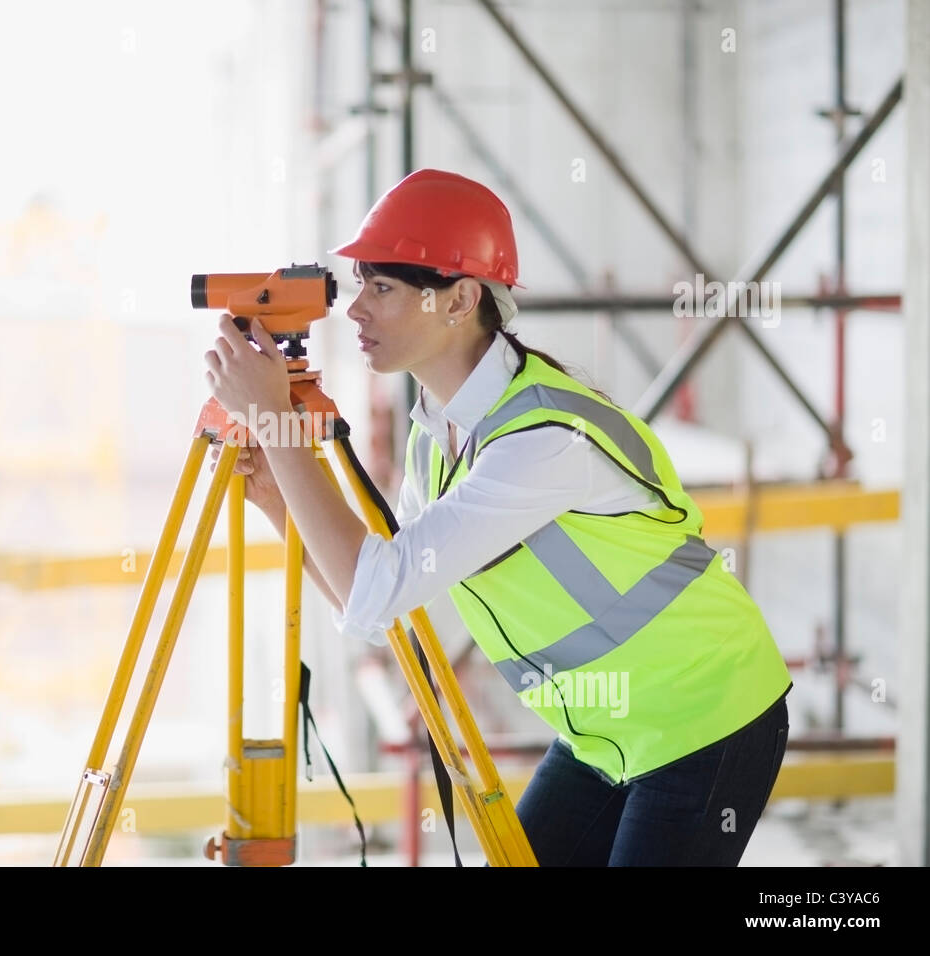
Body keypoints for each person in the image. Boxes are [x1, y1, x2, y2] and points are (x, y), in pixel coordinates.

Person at [203, 168, 792, 867]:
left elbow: (375, 586)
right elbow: (387, 609)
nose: (356, 309)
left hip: (705, 717)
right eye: (359, 284)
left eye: (382, 288)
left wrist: (273, 421)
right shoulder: (436, 435)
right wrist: (278, 499)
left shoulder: (540, 440)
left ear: (460, 300)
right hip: (603, 734)